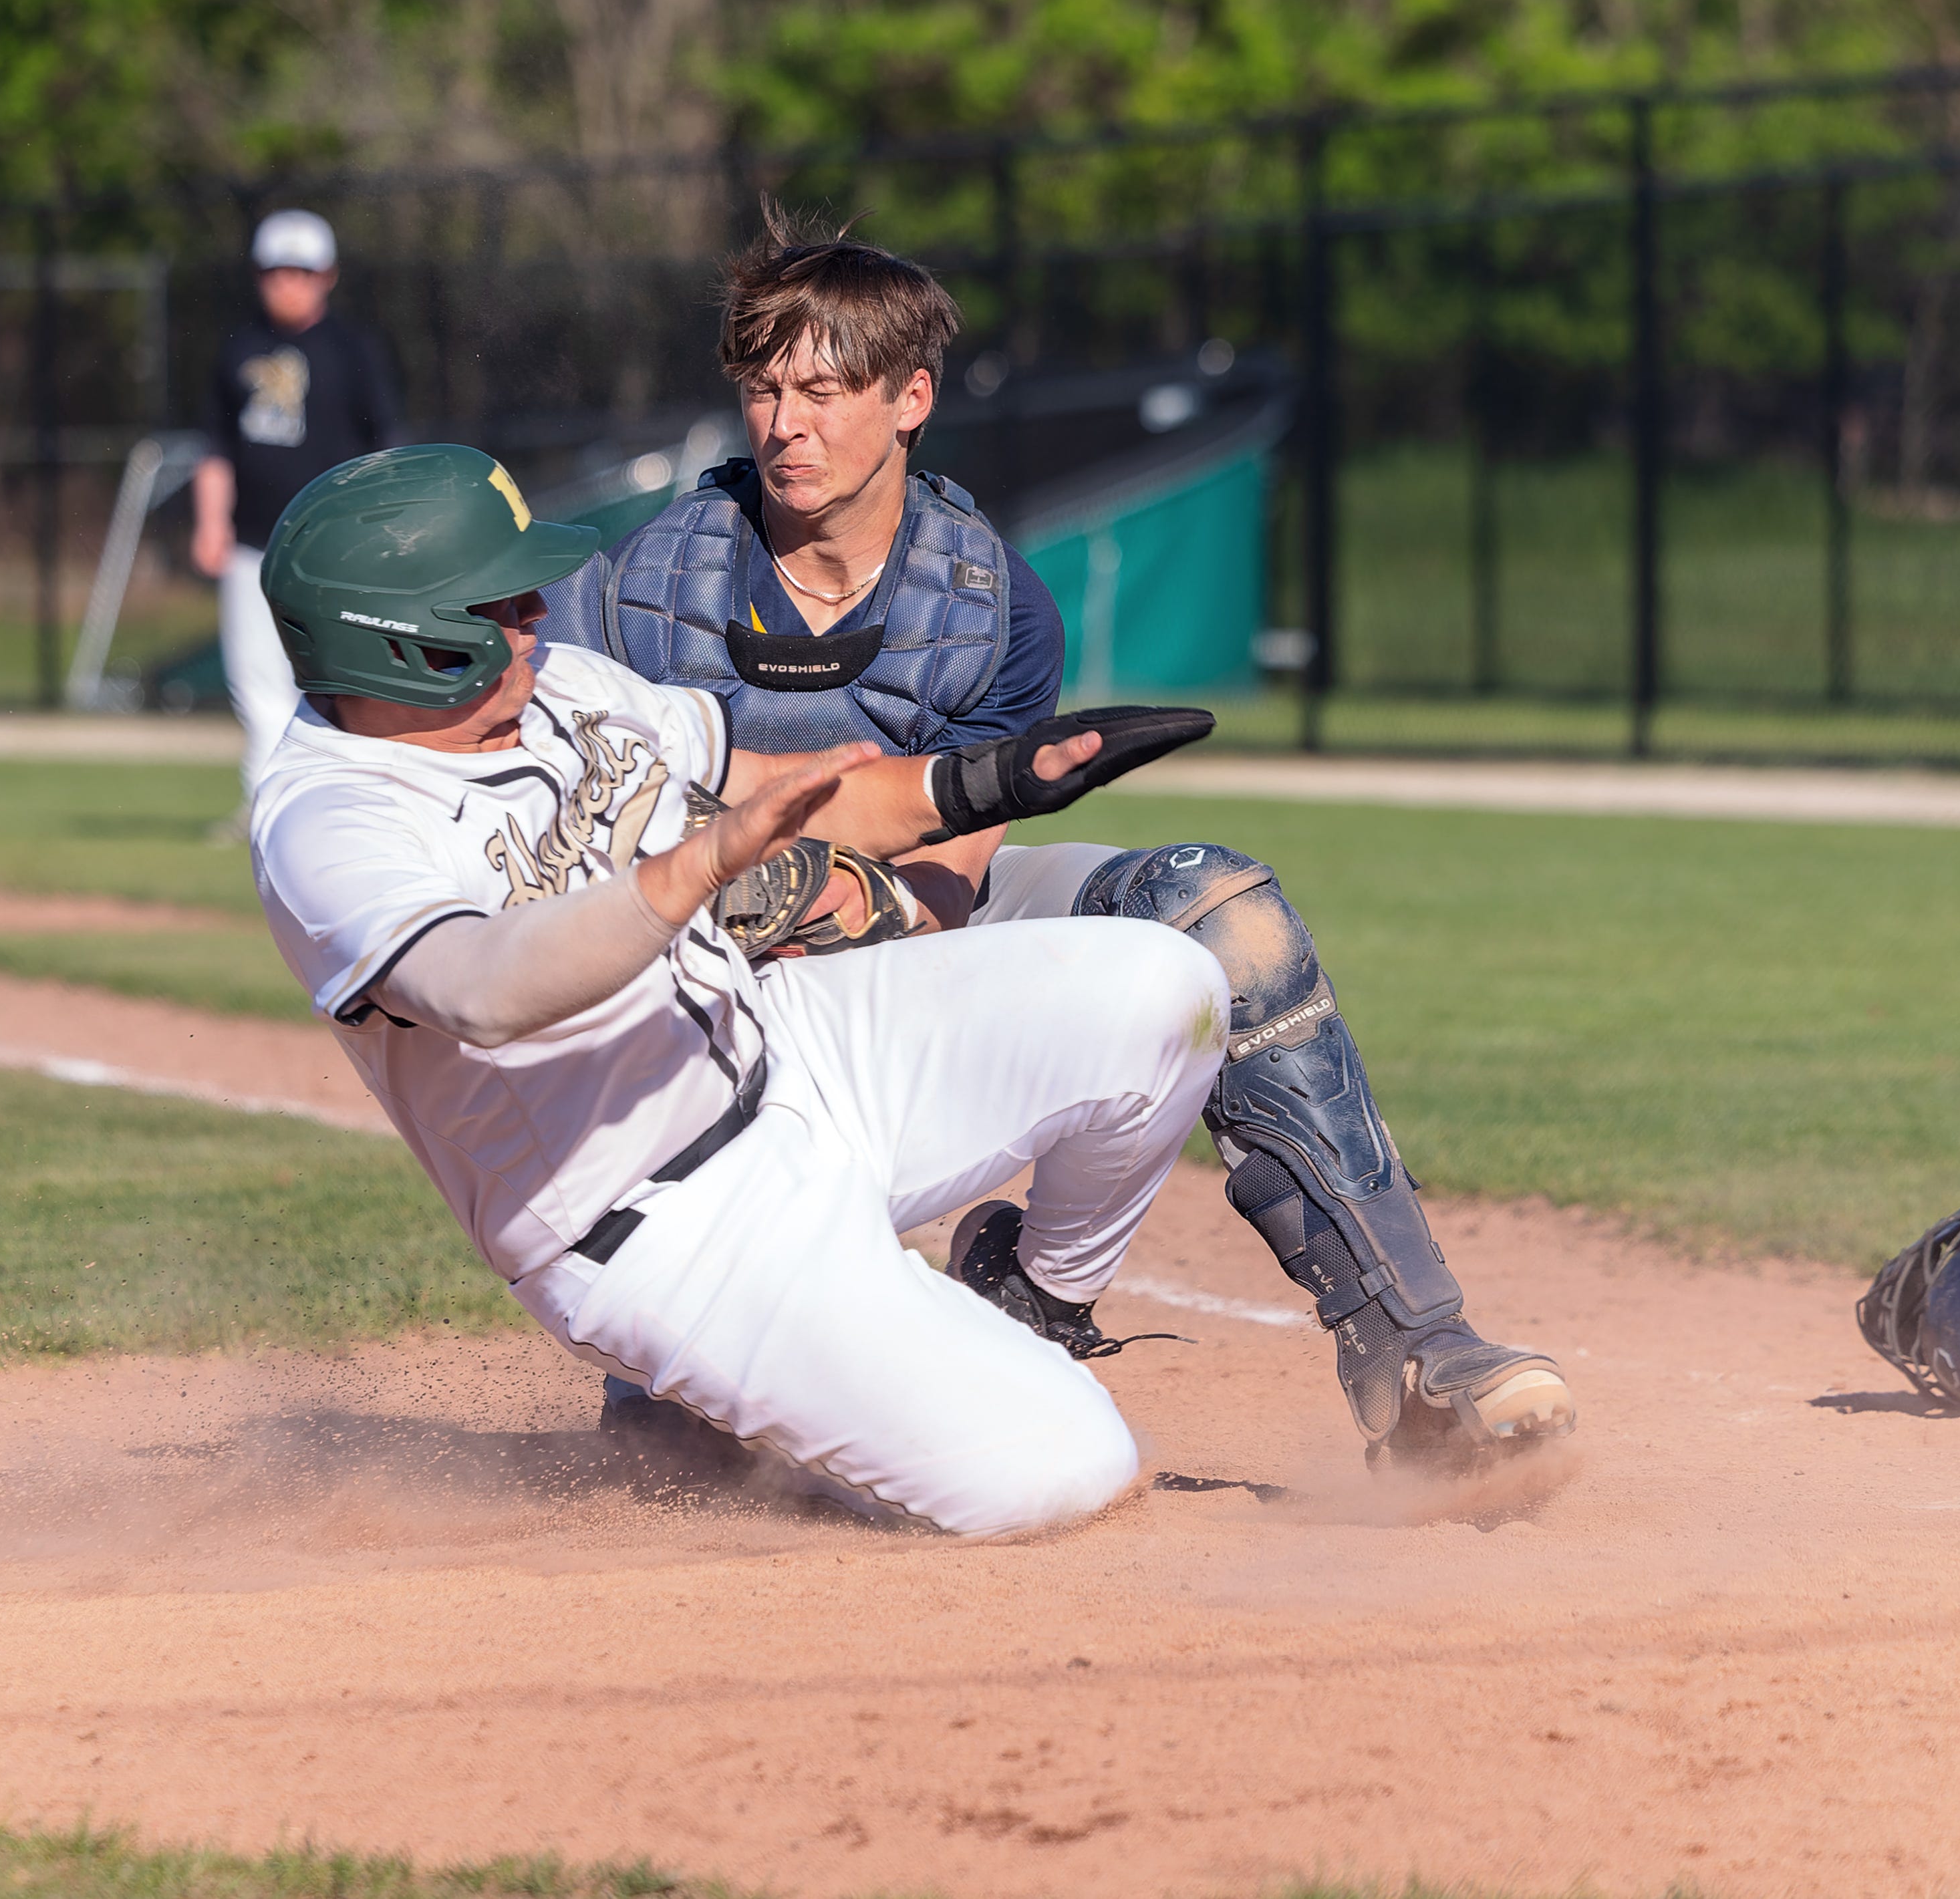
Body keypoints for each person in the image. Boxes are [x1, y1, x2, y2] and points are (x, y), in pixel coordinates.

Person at [545, 208, 1578, 1473]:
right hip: (702, 1038)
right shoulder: (638, 589)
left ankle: (1412, 1353)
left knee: (1219, 912)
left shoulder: (988, 608)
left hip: (900, 950)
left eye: (822, 389)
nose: (784, 424)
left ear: (910, 397)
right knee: (691, 1466)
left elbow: (941, 890)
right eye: (761, 389)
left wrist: (809, 893)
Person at [249, 443, 1230, 1537]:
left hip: (793, 1048)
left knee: (1167, 986)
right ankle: (793, 1412)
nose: (537, 609)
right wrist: (690, 870)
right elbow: (478, 988)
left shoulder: (563, 686)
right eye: (503, 598)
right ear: (416, 639)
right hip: (662, 1222)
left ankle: (1032, 1303)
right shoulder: (330, 817)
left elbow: (778, 793)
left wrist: (995, 778)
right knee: (1069, 1471)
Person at [194, 210, 402, 801]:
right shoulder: (239, 345)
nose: (287, 283)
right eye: (275, 271)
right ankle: (268, 806)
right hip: (252, 543)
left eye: (301, 271)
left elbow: (385, 446)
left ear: (327, 275)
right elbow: (216, 446)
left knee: (340, 681)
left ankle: (347, 803)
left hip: (333, 548)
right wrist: (211, 522)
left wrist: (381, 534)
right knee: (256, 686)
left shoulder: (352, 348)